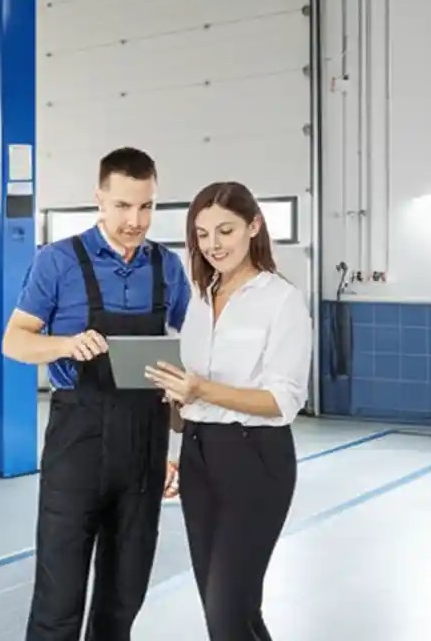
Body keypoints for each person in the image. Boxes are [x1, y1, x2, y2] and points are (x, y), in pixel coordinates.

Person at [2, 147, 191, 640]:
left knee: (123, 596)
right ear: (100, 201)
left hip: (144, 446)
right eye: (125, 206)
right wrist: (66, 343)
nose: (136, 220)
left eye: (147, 206)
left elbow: (191, 356)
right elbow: (14, 340)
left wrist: (175, 441)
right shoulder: (58, 261)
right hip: (78, 441)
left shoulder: (167, 267)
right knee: (59, 596)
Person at [143, 181, 312, 641]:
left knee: (226, 611)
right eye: (201, 234)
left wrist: (203, 389)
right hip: (199, 454)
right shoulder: (199, 297)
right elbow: (194, 388)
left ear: (253, 226)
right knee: (233, 613)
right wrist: (179, 404)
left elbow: (283, 400)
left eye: (225, 230)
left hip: (255, 459)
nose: (213, 245)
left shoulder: (281, 299)